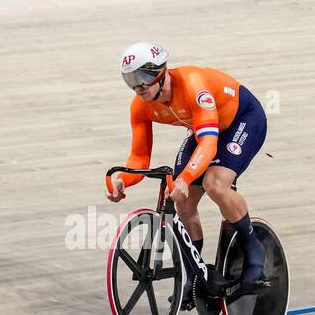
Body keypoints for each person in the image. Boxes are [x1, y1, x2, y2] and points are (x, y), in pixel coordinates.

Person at [110, 42, 270, 301]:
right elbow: (139, 157)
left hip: (242, 120)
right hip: (203, 127)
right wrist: (123, 181)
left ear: (160, 72)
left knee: (215, 183)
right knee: (181, 200)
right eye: (130, 79)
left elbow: (209, 143)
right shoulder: (139, 106)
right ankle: (197, 275)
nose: (138, 86)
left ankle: (253, 249)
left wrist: (185, 178)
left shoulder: (193, 85)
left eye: (143, 77)